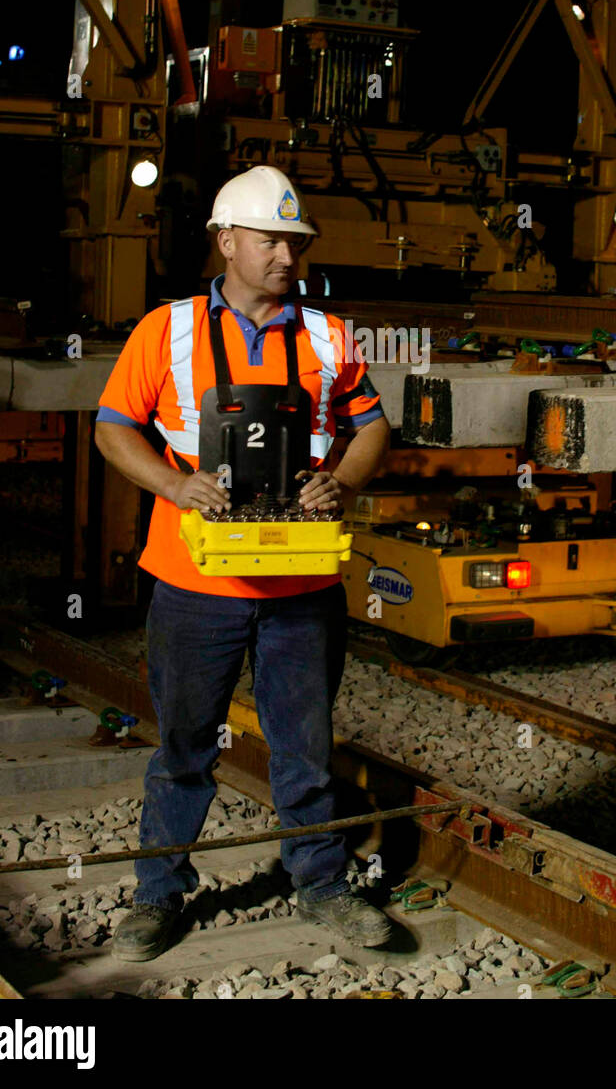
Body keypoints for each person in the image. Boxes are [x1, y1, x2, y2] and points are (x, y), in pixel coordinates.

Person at [94, 166, 393, 961]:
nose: (287, 256)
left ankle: (323, 883)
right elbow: (113, 428)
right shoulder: (168, 331)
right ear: (227, 242)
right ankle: (158, 894)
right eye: (271, 240)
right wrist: (172, 483)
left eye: (296, 242)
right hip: (196, 588)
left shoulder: (330, 337)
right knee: (185, 748)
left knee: (306, 745)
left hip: (302, 588)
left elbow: (372, 428)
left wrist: (345, 479)